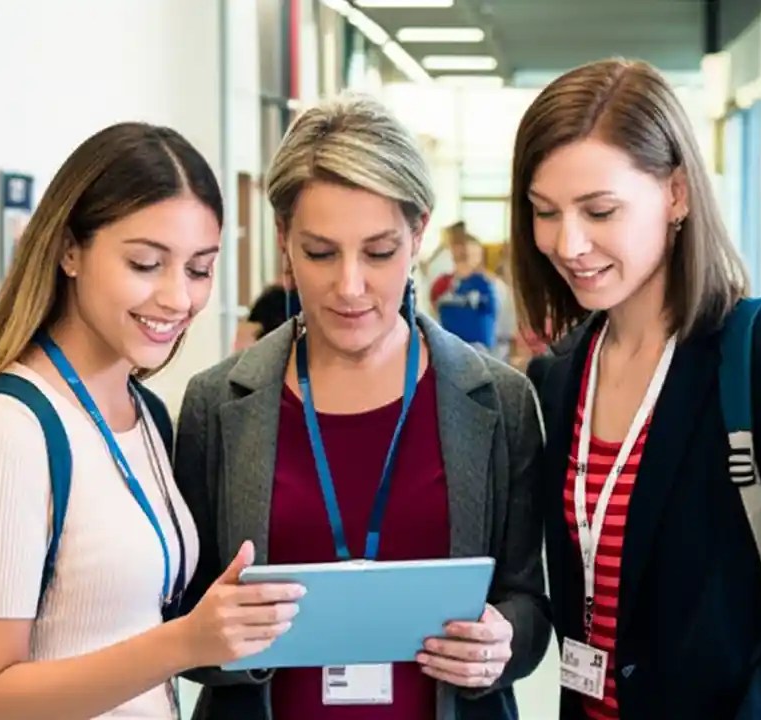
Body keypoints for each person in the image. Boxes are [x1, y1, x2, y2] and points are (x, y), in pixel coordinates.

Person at [513, 59, 761, 718]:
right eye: (545, 212)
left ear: (677, 194)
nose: (568, 244)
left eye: (600, 211)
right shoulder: (562, 374)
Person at [174, 94, 549, 720]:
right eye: (320, 253)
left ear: (419, 233)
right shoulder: (217, 405)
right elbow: (180, 621)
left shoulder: (498, 401)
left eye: (379, 252)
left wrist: (501, 643)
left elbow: (528, 604)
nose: (350, 286)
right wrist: (221, 637)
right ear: (283, 239)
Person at [0, 123, 303, 719]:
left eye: (199, 269)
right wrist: (185, 642)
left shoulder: (143, 413)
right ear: (69, 250)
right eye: (146, 263)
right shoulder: (3, 429)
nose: (178, 298)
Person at [429, 232, 498, 351]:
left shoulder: (487, 284)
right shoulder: (441, 283)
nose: (465, 256)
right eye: (462, 253)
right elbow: (433, 309)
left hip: (479, 351)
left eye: (472, 253)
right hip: (449, 349)